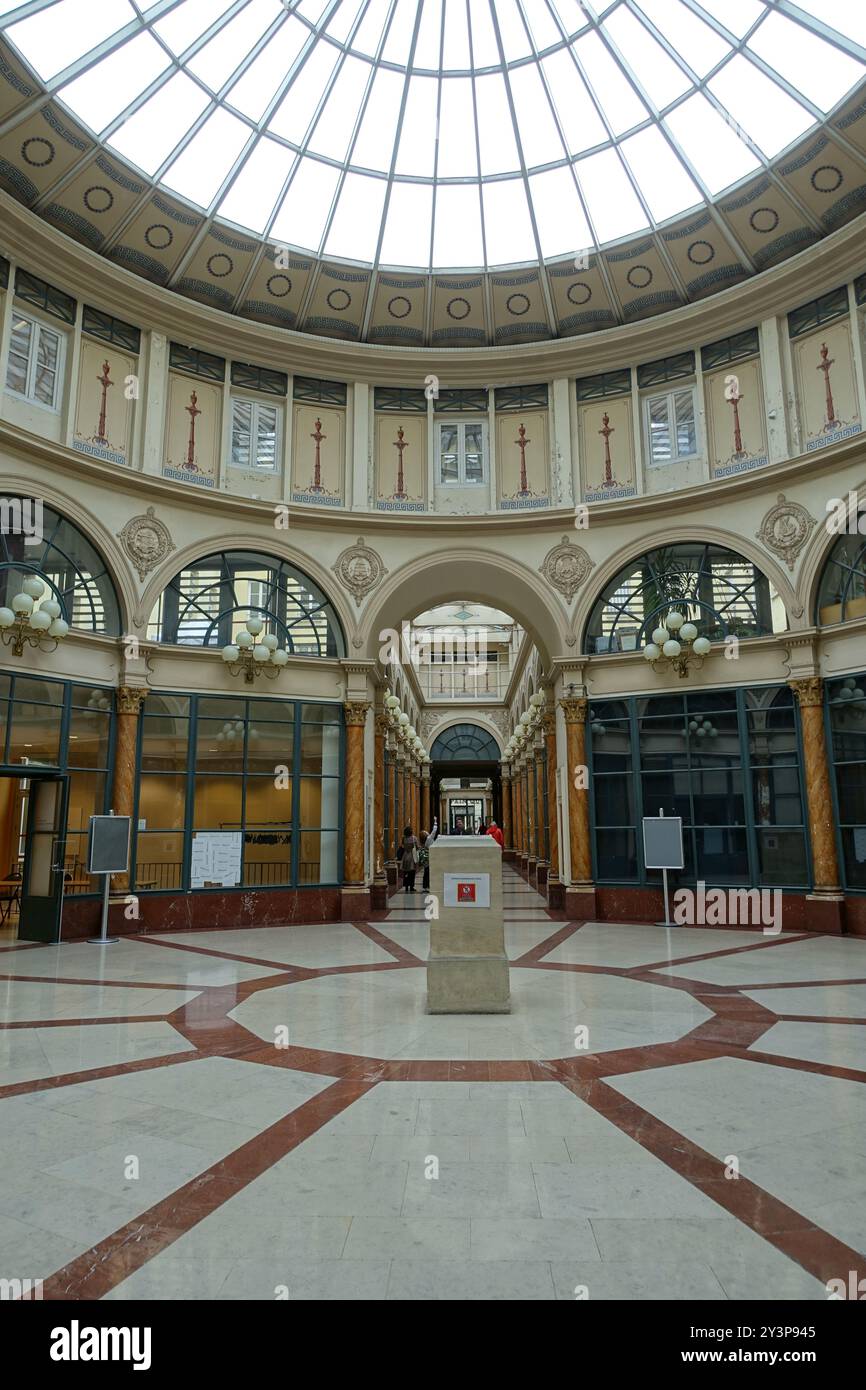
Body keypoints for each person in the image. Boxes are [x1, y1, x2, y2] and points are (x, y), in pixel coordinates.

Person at [400, 825, 418, 892]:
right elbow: (417, 847)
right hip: (412, 856)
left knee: (406, 872)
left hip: (405, 856)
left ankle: (406, 886)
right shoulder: (414, 838)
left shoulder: (403, 838)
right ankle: (411, 886)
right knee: (412, 872)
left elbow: (402, 845)